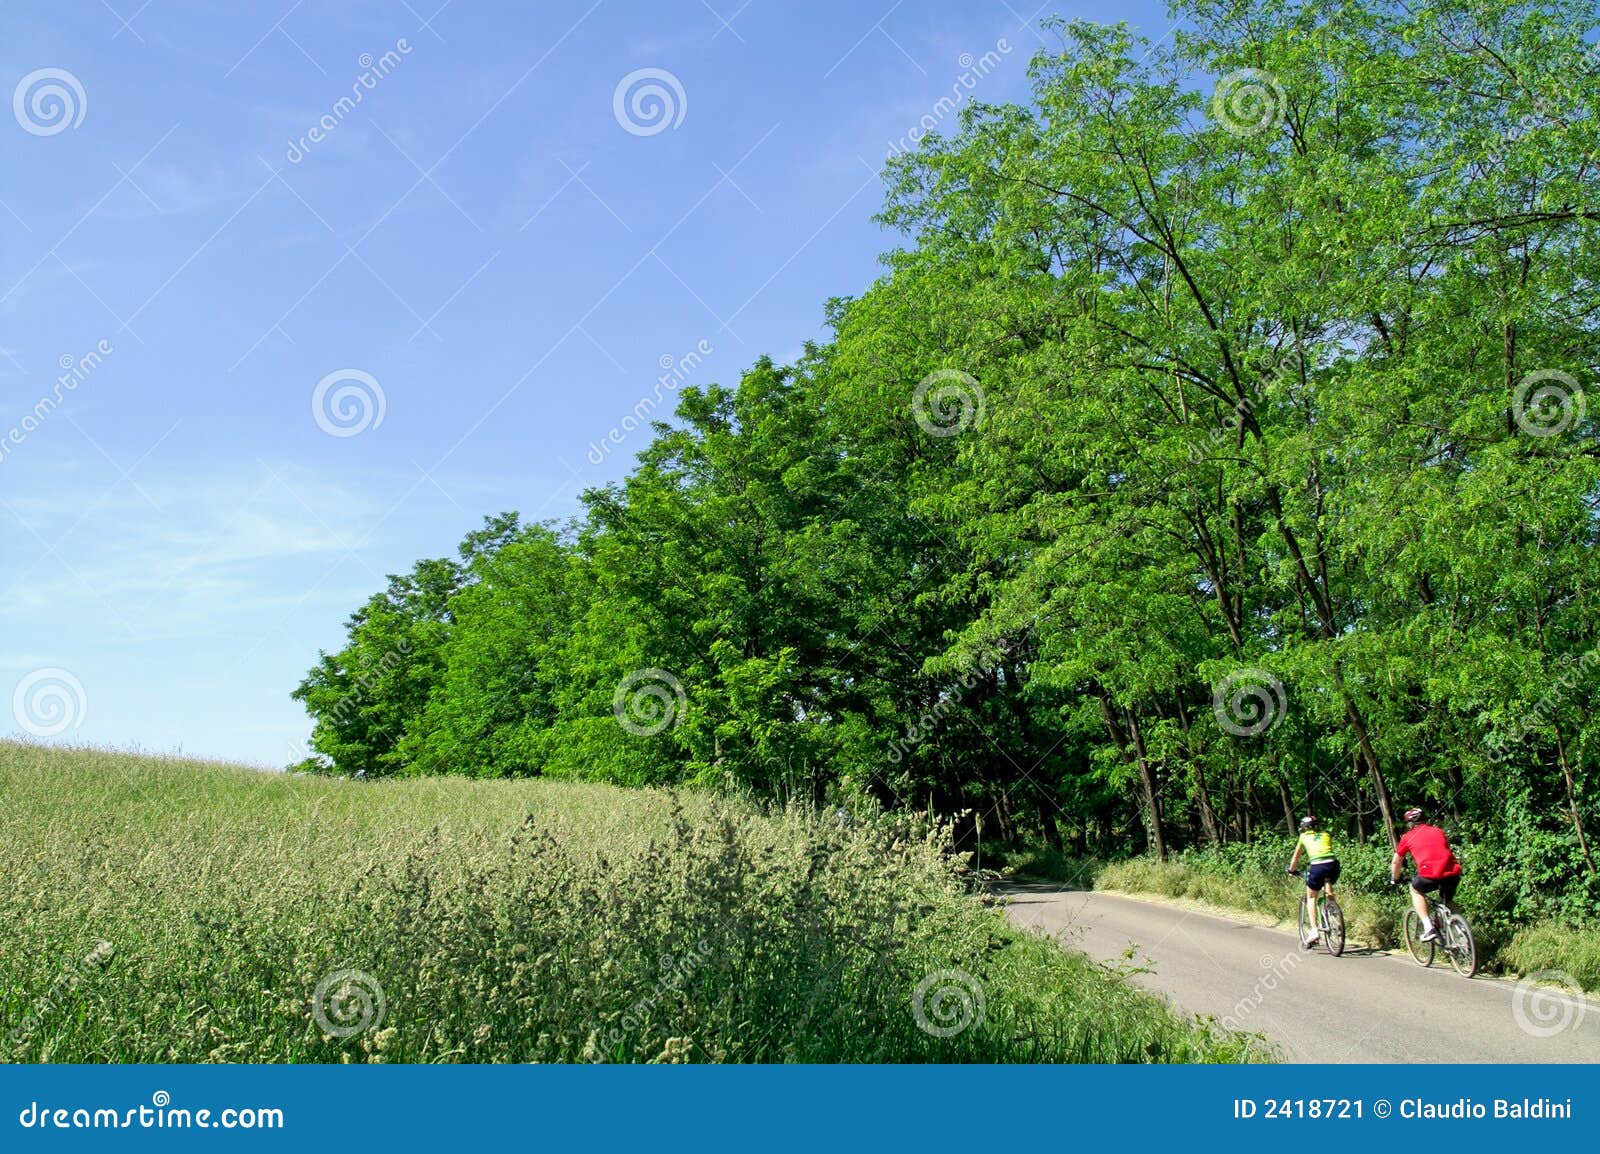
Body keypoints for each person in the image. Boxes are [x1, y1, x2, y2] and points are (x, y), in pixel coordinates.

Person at [1390, 806, 1462, 942]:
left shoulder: (1407, 837)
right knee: (1447, 901)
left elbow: (1396, 862)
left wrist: (1395, 878)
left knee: (1415, 890)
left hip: (1430, 875)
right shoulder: (1438, 831)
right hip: (1452, 873)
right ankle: (1462, 929)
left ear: (1410, 824)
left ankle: (1429, 928)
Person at [1286, 815, 1340, 947]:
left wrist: (1291, 870)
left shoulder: (1303, 837)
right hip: (1333, 864)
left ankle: (1314, 930)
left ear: (1304, 828)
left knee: (1311, 897)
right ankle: (1335, 917)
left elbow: (1296, 858)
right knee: (1328, 885)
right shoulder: (1326, 834)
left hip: (1317, 866)